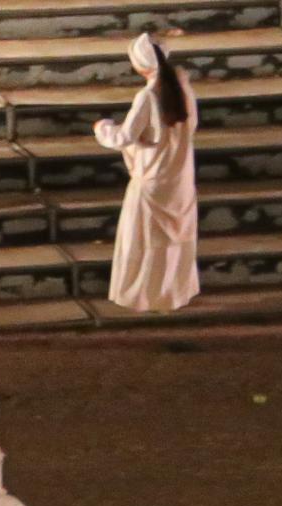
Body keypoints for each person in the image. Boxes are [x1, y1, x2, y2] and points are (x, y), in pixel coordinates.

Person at [94, 33, 199, 313]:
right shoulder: (183, 89)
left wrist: (102, 128)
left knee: (144, 240)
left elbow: (124, 137)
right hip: (179, 179)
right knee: (172, 240)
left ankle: (144, 295)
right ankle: (172, 293)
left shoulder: (148, 96)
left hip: (152, 181)